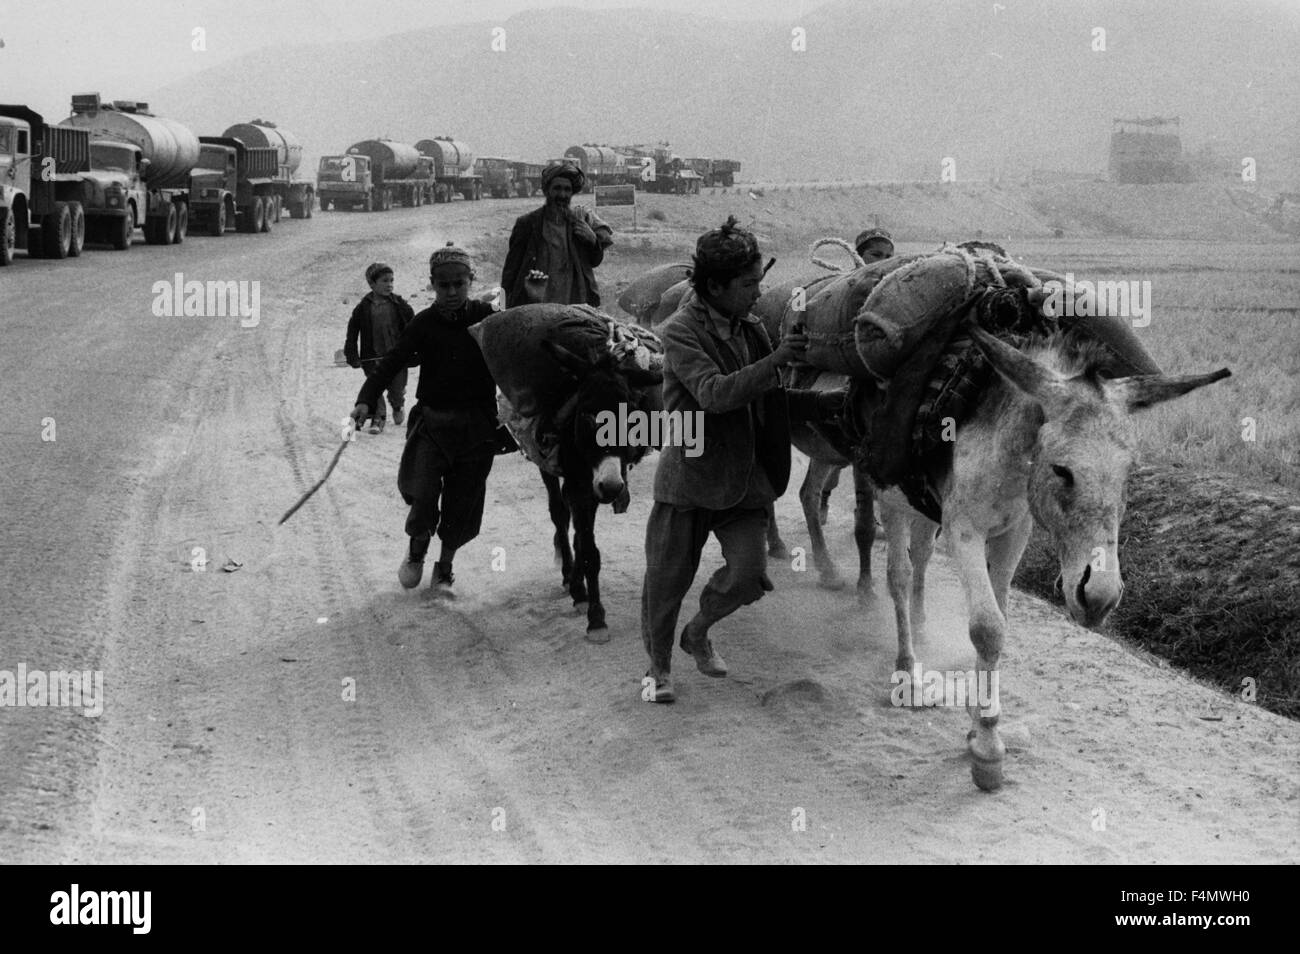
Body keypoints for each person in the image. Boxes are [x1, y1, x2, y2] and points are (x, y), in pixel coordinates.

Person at [640, 217, 844, 703]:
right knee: (666, 584)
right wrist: (776, 362)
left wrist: (831, 404)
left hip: (745, 480)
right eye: (750, 284)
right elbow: (713, 393)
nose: (759, 293)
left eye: (760, 281)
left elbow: (772, 396)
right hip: (692, 477)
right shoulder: (679, 332)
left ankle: (699, 631)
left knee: (750, 575)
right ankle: (658, 669)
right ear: (715, 286)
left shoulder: (751, 328)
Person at [350, 243, 499, 592]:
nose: (450, 292)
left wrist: (531, 298)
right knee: (423, 494)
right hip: (432, 423)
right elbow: (391, 362)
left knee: (463, 501)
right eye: (442, 285)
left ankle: (444, 568)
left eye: (458, 284)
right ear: (432, 284)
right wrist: (365, 399)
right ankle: (416, 551)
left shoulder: (489, 318)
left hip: (477, 426)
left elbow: (521, 345)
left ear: (470, 281)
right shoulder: (423, 323)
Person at [501, 162, 613, 308]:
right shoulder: (527, 224)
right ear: (547, 191)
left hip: (573, 304)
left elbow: (594, 261)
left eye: (567, 190)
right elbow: (510, 273)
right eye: (557, 188)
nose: (562, 195)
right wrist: (504, 308)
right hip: (535, 304)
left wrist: (592, 241)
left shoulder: (579, 222)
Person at [344, 262, 415, 434]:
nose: (389, 284)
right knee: (375, 389)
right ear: (372, 284)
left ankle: (397, 404)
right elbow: (352, 333)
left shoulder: (399, 304)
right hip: (372, 356)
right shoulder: (363, 308)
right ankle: (378, 418)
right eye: (384, 281)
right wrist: (352, 354)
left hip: (397, 356)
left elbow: (413, 328)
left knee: (397, 388)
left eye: (391, 280)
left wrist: (415, 350)